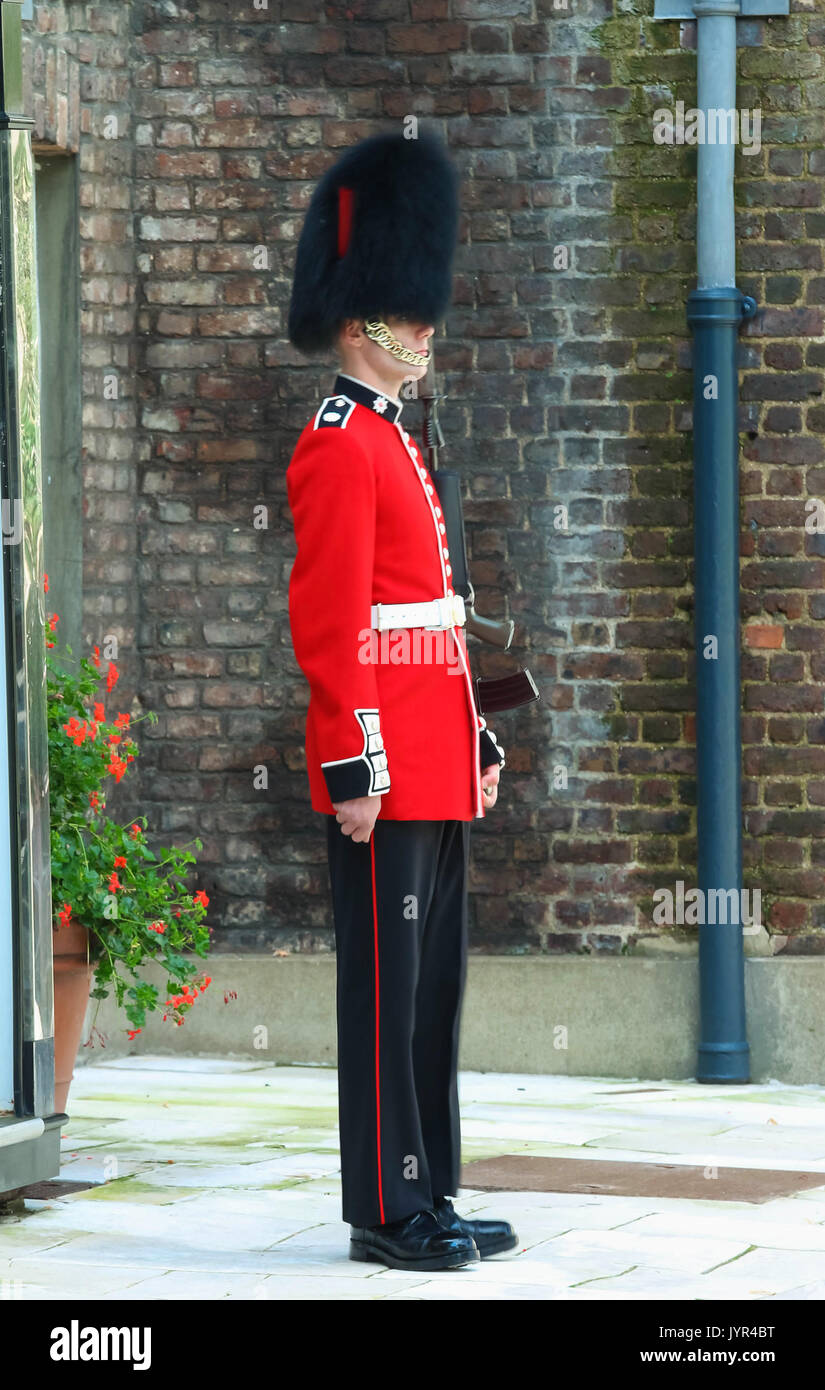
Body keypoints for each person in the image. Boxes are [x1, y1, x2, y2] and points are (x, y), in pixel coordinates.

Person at [285, 130, 518, 1272]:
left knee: (433, 988)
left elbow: (429, 618)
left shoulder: (396, 440)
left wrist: (470, 731)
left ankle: (434, 1183)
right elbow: (334, 633)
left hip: (432, 752)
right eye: (407, 307)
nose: (424, 326)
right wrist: (352, 769)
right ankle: (386, 1201)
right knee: (387, 987)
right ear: (359, 312)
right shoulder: (337, 445)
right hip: (382, 767)